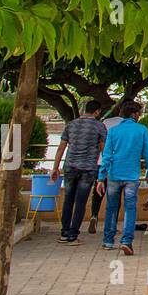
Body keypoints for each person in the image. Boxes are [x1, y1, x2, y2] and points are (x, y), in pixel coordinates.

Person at [97, 101, 148, 256]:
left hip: (114, 174)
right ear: (134, 114)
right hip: (131, 175)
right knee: (130, 208)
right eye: (139, 114)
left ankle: (108, 240)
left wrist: (101, 178)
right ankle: (126, 240)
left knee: (111, 207)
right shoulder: (142, 130)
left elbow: (107, 155)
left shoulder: (114, 131)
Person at [51, 99, 108, 244]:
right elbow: (104, 150)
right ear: (97, 112)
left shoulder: (71, 125)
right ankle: (73, 235)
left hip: (69, 167)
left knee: (68, 200)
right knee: (80, 202)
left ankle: (64, 233)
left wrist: (55, 167)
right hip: (88, 169)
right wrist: (107, 168)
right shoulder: (99, 126)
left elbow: (61, 147)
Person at [87, 107, 126, 234]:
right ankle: (112, 224)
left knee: (97, 192)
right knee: (115, 195)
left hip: (101, 162)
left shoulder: (104, 123)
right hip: (117, 164)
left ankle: (94, 215)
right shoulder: (126, 124)